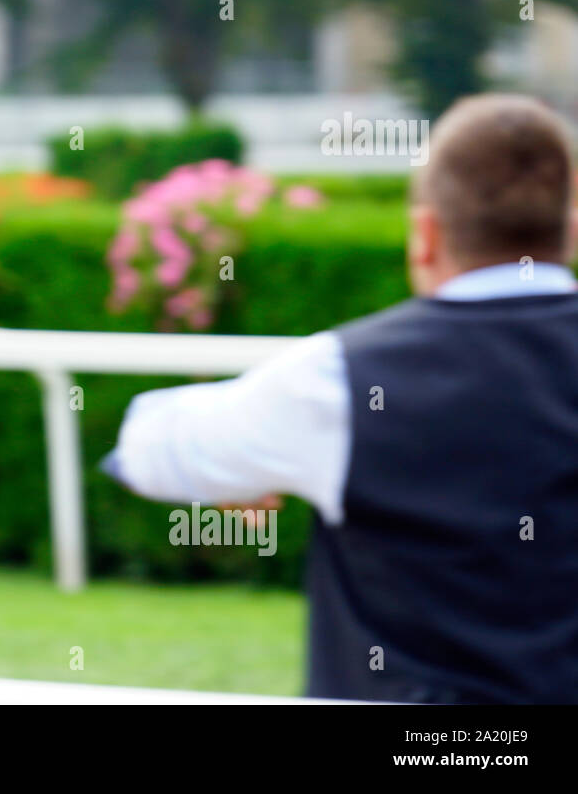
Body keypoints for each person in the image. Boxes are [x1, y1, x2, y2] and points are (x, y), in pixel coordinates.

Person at [102, 94, 578, 703]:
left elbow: (145, 449)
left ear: (425, 235)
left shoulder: (335, 380)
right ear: (569, 228)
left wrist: (238, 475)